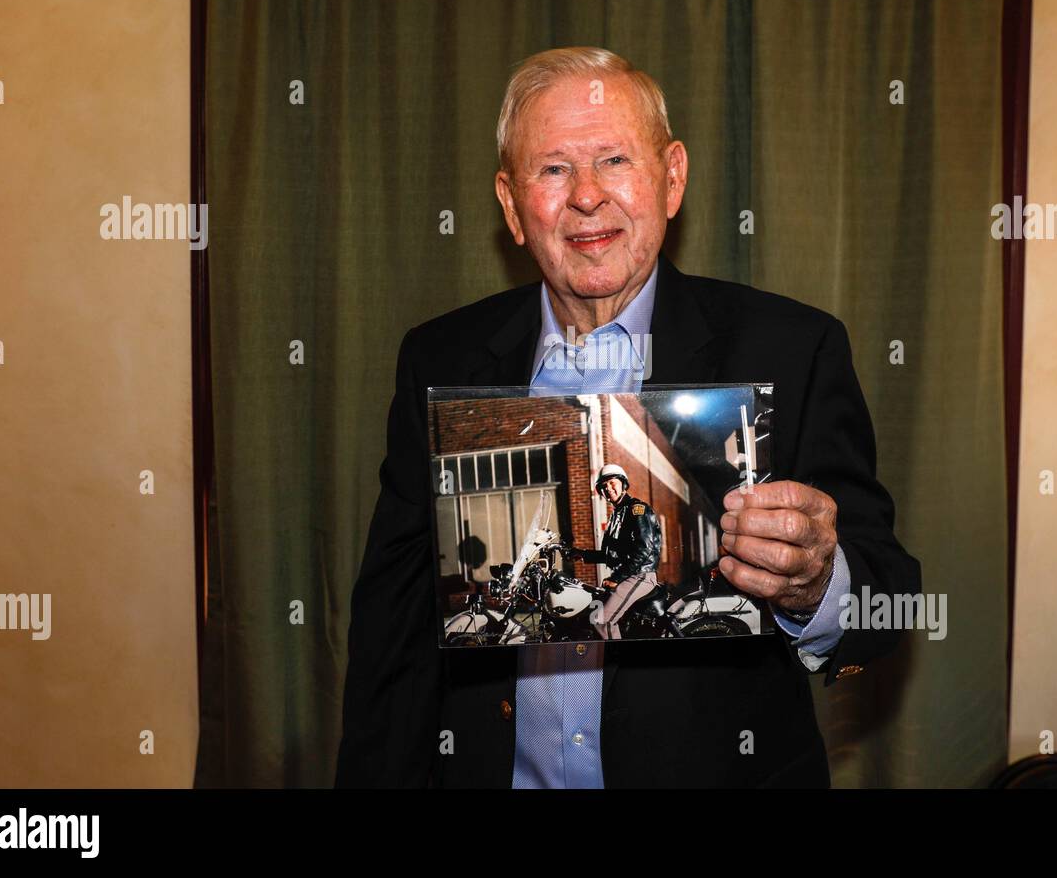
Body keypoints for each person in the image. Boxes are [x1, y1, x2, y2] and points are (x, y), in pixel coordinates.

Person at [336, 46, 922, 788]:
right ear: (512, 207)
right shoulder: (439, 359)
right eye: (552, 169)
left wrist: (816, 582)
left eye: (614, 160)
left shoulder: (792, 349)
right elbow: (392, 632)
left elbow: (888, 611)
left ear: (672, 179)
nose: (586, 197)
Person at [584, 464, 661, 640]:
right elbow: (610, 554)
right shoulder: (617, 515)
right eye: (604, 486)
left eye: (612, 483)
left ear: (623, 484)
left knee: (601, 620)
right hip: (629, 575)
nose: (608, 488)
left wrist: (616, 578)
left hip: (640, 575)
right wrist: (582, 554)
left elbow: (644, 550)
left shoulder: (636, 510)